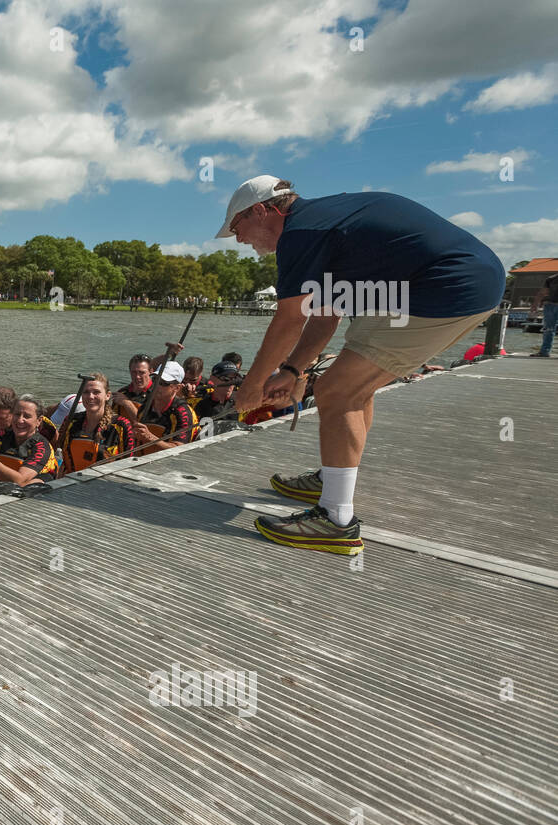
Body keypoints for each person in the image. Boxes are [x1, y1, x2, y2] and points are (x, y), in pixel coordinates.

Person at [217, 175, 505, 554]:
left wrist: (251, 387)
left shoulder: (301, 232)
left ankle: (336, 520)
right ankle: (333, 481)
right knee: (354, 384)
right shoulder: (323, 224)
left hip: (446, 286)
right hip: (464, 282)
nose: (239, 239)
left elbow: (289, 320)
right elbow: (324, 317)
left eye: (237, 227)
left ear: (262, 210)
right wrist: (291, 371)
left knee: (339, 390)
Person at [0, 394, 58, 488]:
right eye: (17, 414)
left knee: (35, 483)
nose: (20, 420)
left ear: (38, 421)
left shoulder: (42, 446)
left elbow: (21, 481)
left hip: (27, 493)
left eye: (27, 416)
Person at [57, 374, 136, 473]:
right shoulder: (71, 421)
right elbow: (62, 455)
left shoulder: (121, 425)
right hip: (70, 481)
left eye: (96, 392)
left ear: (107, 395)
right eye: (86, 392)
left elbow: (129, 463)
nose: (90, 397)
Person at [136, 361, 199, 450]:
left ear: (177, 388)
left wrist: (150, 438)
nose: (157, 385)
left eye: (163, 383)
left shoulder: (183, 413)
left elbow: (179, 449)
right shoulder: (145, 407)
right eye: (155, 380)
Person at [193, 361, 242, 434]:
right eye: (226, 379)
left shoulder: (242, 401)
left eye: (234, 379)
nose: (230, 383)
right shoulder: (200, 403)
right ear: (212, 379)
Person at [530, 272, 558, 357]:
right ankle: (544, 352)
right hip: (550, 305)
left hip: (550, 306)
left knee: (549, 330)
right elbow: (543, 292)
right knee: (548, 329)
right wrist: (535, 304)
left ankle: (544, 351)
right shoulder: (551, 279)